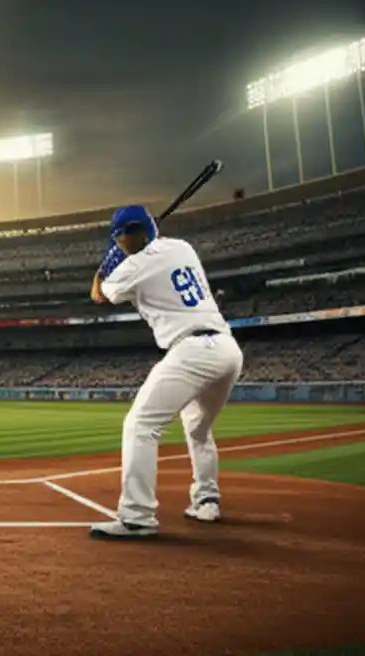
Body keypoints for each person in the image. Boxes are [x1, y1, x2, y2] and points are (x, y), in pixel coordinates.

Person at [87, 205, 242, 539]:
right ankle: (207, 501)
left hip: (191, 351)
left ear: (125, 236)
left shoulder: (134, 267)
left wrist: (105, 266)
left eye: (121, 237)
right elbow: (151, 254)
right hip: (228, 349)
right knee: (198, 429)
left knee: (140, 425)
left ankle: (137, 516)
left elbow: (99, 295)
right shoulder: (182, 247)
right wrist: (126, 250)